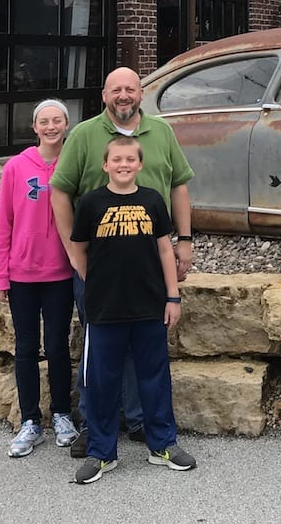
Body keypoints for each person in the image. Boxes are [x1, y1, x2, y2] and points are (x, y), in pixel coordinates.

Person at [50, 67, 194, 457]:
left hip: (149, 265)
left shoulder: (162, 133)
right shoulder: (83, 135)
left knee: (145, 351)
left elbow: (179, 185)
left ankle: (142, 422)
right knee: (99, 352)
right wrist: (73, 253)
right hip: (99, 267)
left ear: (141, 94)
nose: (124, 96)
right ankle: (95, 426)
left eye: (130, 89)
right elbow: (60, 190)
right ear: (104, 95)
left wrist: (185, 240)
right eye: (116, 90)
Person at [68, 136, 196, 482]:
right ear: (105, 165)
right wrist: (92, 280)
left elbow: (166, 251)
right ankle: (101, 451)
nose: (123, 165)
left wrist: (172, 296)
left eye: (130, 159)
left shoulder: (152, 200)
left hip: (149, 306)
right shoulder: (92, 203)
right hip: (105, 310)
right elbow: (78, 248)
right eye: (117, 160)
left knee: (154, 378)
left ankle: (162, 444)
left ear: (140, 165)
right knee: (100, 382)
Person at [0, 98, 79, 457]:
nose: (51, 127)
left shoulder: (73, 165)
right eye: (44, 121)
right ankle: (30, 421)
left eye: (57, 120)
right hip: (22, 272)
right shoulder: (15, 167)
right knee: (26, 348)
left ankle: (61, 414)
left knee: (57, 345)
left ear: (66, 124)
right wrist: (0, 275)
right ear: (34, 127)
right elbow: (4, 223)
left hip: (59, 271)